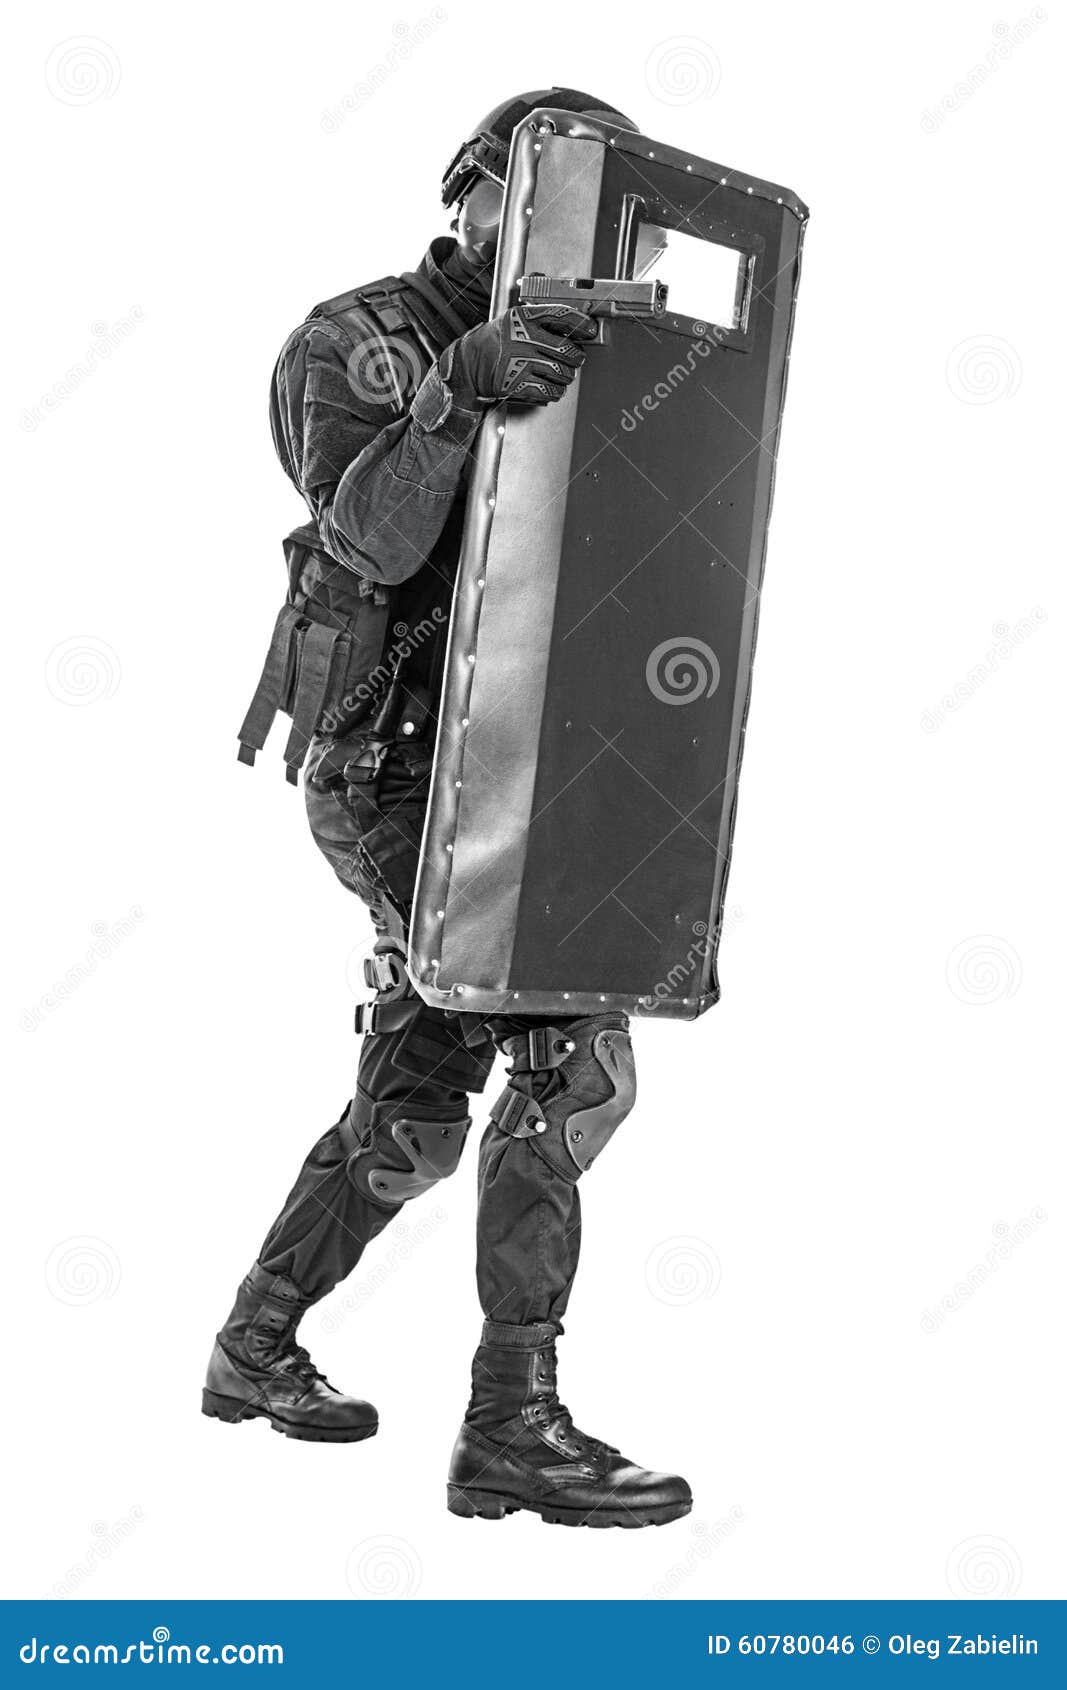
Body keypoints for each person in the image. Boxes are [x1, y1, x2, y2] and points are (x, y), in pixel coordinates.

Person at [206, 89, 692, 1529]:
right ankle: (512, 1426)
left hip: (506, 762)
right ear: (473, 190)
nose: (567, 231)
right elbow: (369, 535)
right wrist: (460, 388)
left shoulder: (601, 358)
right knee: (569, 1053)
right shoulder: (355, 341)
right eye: (543, 190)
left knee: (416, 1110)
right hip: (388, 766)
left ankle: (253, 1343)